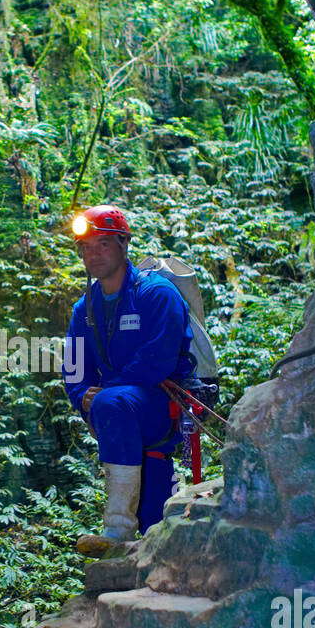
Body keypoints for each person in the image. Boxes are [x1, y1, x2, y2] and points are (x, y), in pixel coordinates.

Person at [62, 205, 195, 555]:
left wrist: (104, 394)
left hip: (163, 406)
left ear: (124, 244)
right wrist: (82, 398)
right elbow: (75, 368)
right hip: (124, 413)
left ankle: (117, 528)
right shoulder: (83, 310)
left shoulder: (157, 294)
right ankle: (128, 551)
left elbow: (158, 361)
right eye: (86, 248)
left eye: (103, 244)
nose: (93, 254)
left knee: (113, 401)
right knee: (156, 526)